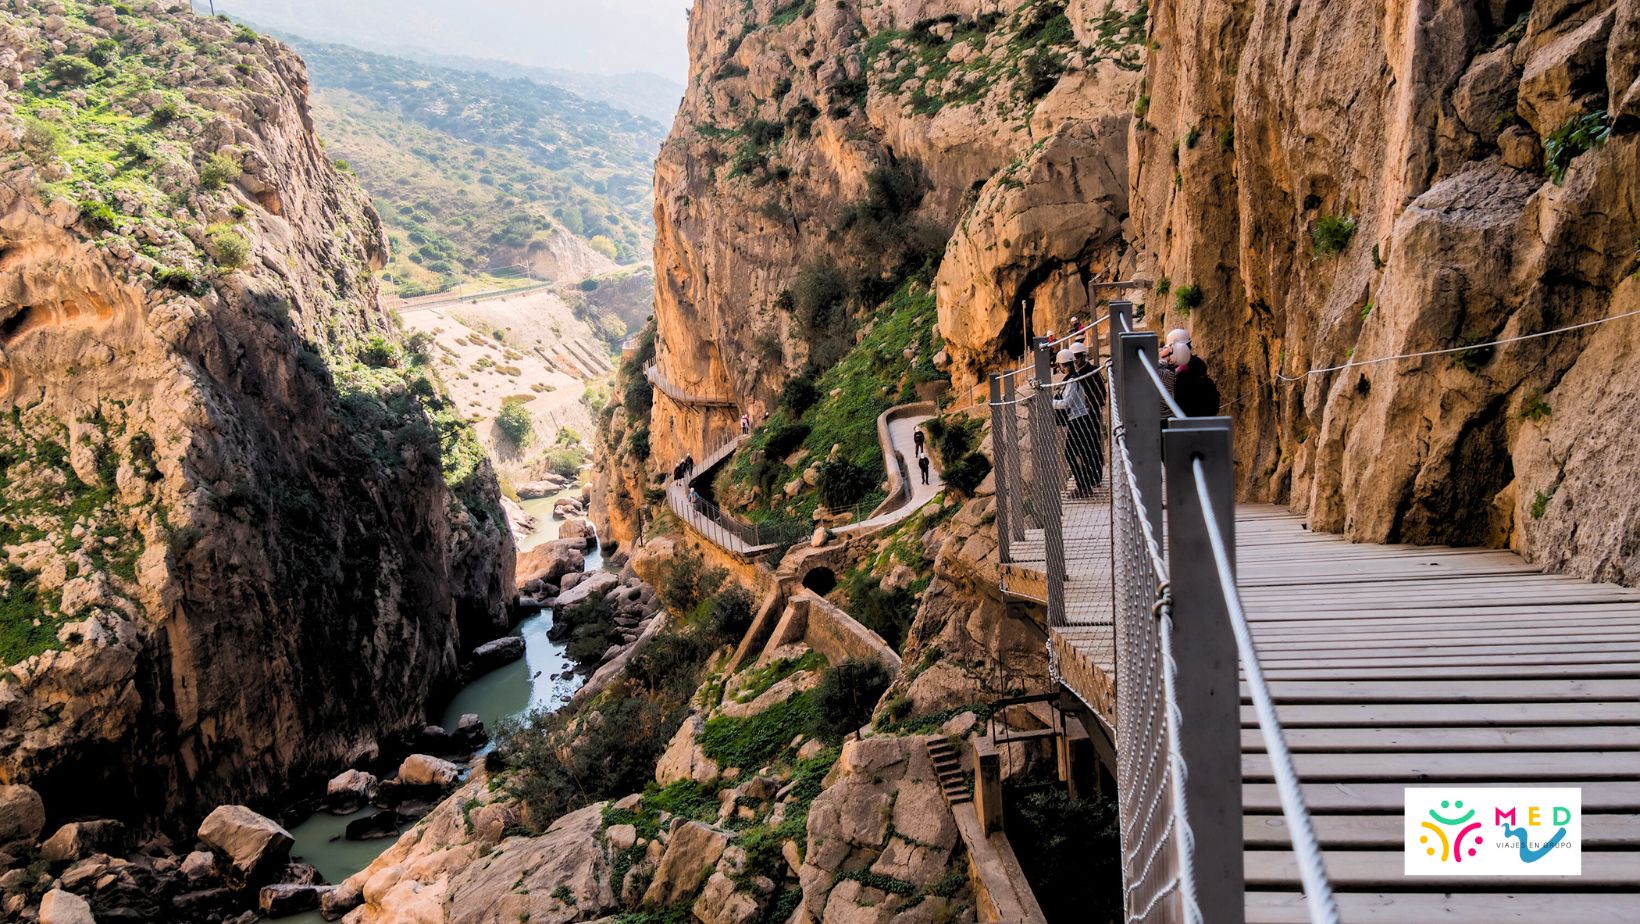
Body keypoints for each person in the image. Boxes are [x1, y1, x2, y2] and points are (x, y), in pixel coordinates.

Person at [1053, 342, 1105, 495]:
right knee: (1083, 451)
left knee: (1076, 452)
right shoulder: (1075, 377)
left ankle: (1084, 484)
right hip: (1081, 418)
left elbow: (1068, 402)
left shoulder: (1074, 379)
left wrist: (1051, 402)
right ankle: (1085, 483)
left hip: (1080, 419)